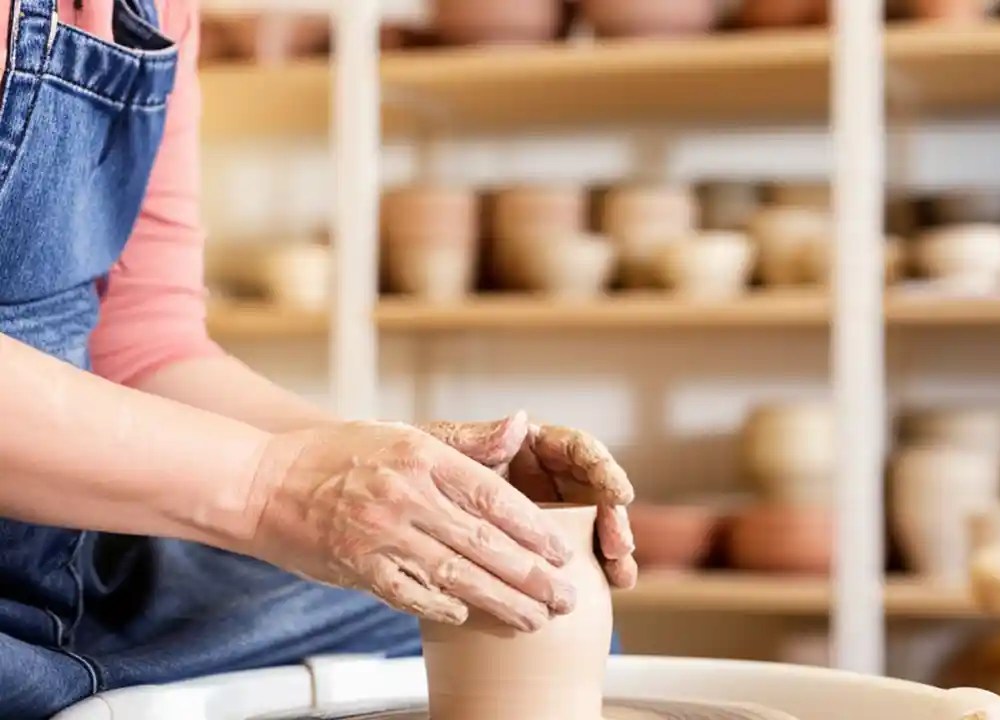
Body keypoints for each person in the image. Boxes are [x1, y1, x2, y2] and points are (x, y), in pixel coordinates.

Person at [0, 1, 637, 717]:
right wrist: (272, 486)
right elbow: (265, 484)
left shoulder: (158, 10)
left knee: (508, 600)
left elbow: (145, 344)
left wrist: (407, 475)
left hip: (71, 560)